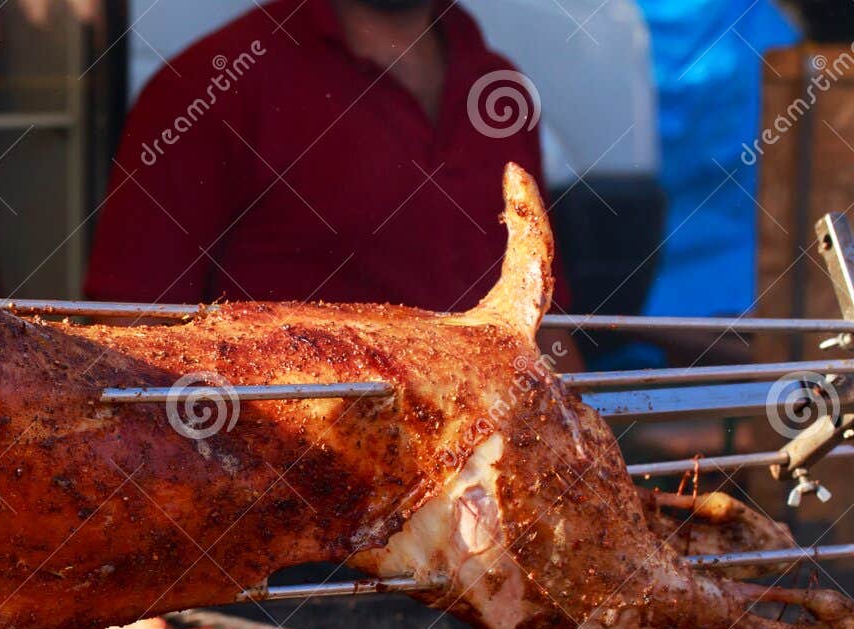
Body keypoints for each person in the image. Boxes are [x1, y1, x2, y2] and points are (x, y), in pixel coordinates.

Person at [86, 0, 575, 360]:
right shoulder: (205, 88)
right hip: (293, 478)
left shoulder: (500, 86)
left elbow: (542, 320)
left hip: (495, 475)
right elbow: (129, 339)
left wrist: (600, 437)